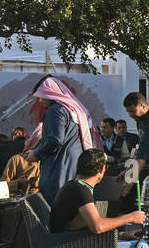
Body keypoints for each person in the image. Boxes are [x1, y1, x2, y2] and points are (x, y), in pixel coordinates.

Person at [24, 77, 96, 206]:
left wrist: (36, 154)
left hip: (58, 169)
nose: (40, 100)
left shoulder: (55, 111)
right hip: (75, 167)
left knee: (54, 207)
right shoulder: (74, 110)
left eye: (42, 96)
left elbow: (54, 140)